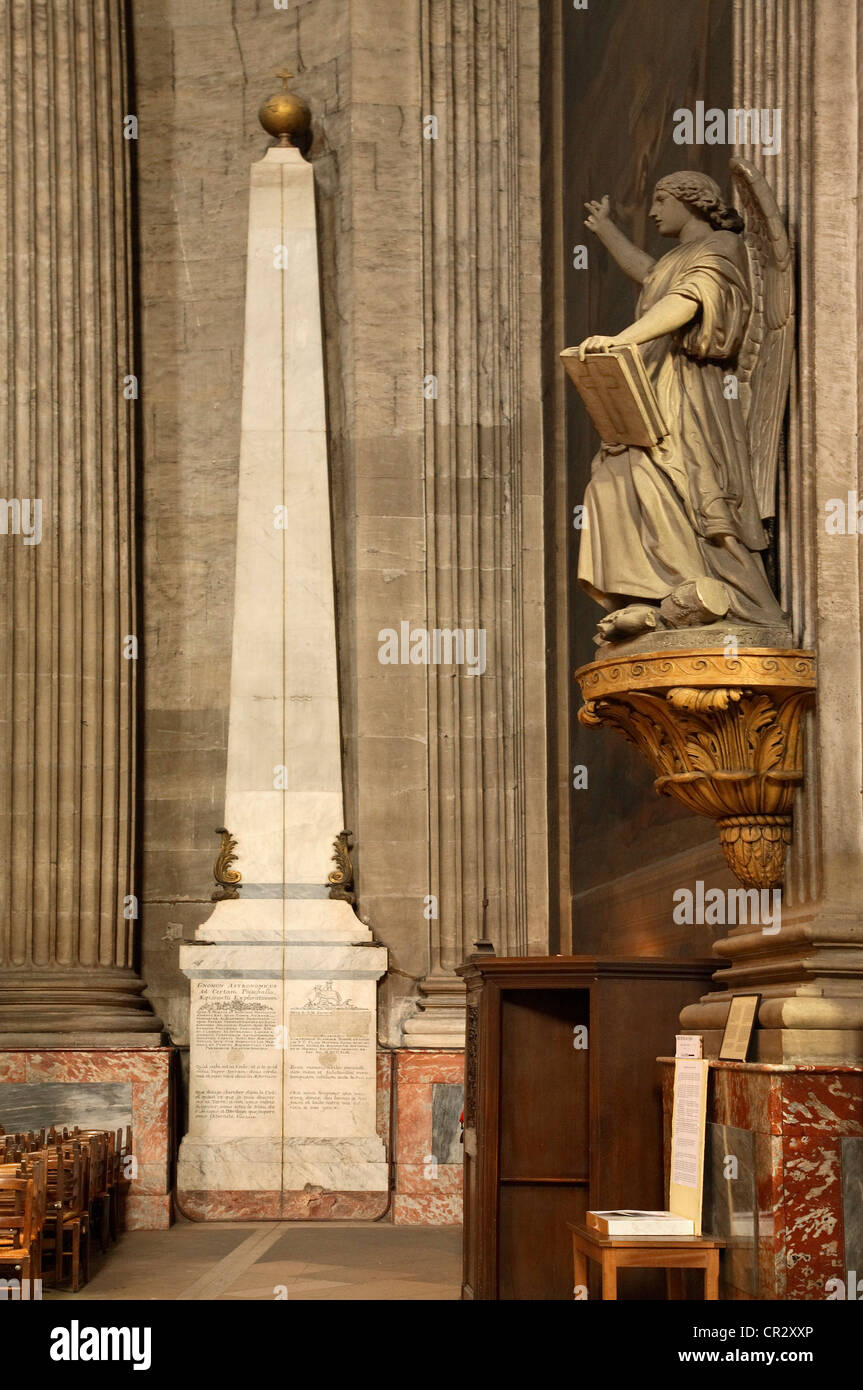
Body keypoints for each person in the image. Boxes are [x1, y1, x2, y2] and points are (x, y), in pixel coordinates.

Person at [575, 171, 785, 641]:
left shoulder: (722, 247)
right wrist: (608, 231)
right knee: (616, 473)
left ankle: (715, 590)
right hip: (653, 381)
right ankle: (654, 594)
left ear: (693, 200)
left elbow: (689, 299)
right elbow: (652, 274)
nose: (653, 211)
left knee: (682, 477)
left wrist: (620, 342)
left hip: (689, 388)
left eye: (660, 200)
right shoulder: (679, 257)